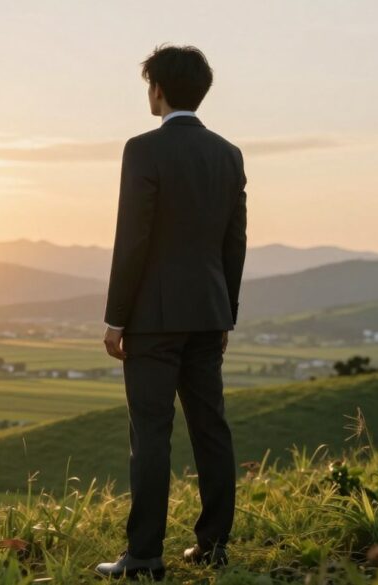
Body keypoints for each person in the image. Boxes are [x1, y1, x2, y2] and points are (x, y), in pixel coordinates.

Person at [95, 44, 247, 581]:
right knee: (212, 429)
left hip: (153, 320)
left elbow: (132, 239)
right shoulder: (229, 155)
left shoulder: (142, 150)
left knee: (152, 434)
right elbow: (235, 243)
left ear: (157, 89)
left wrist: (116, 318)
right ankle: (214, 546)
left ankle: (143, 557)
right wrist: (225, 313)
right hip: (209, 314)